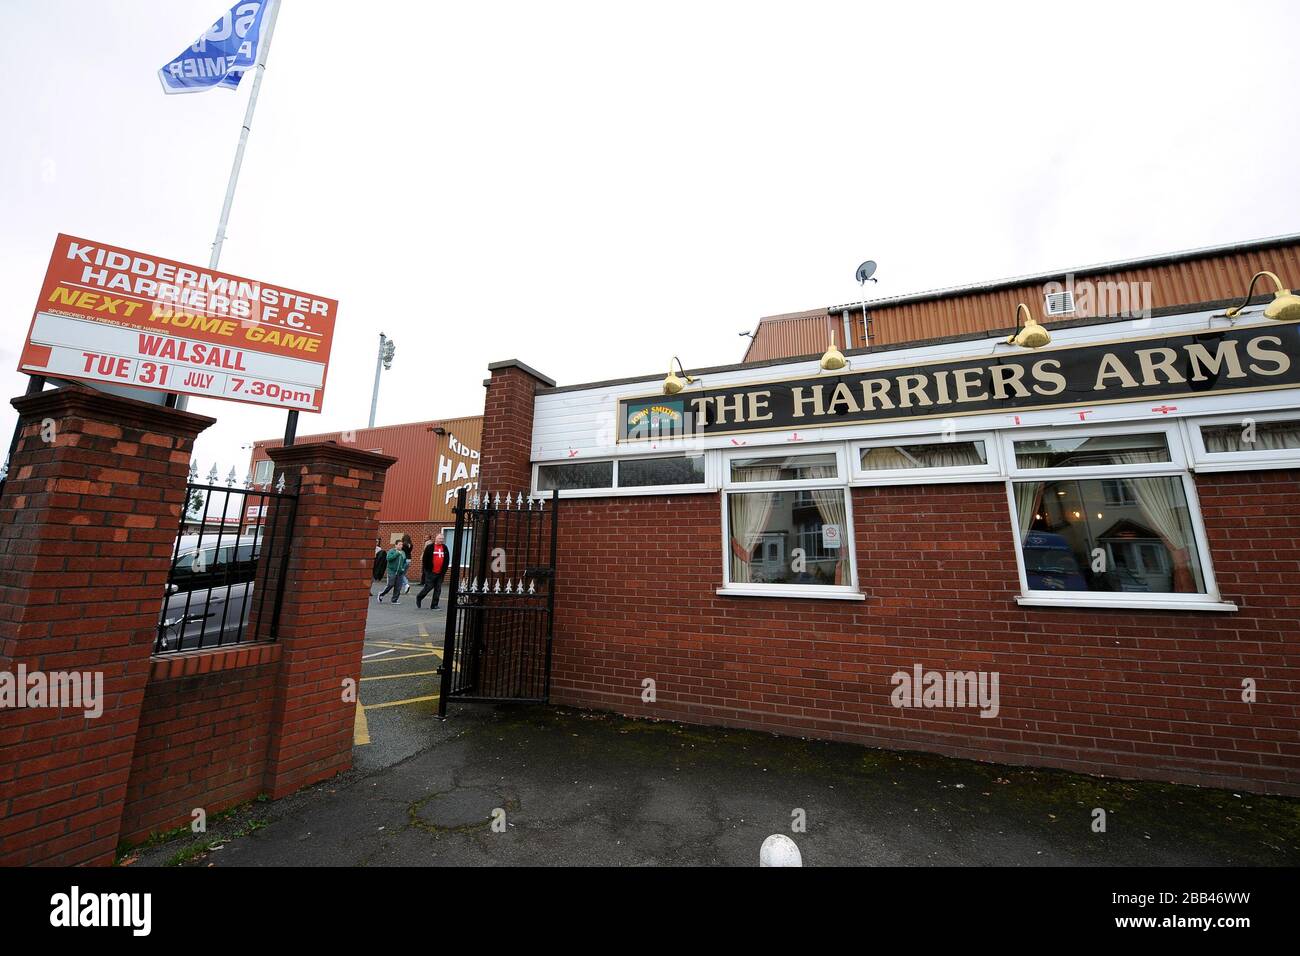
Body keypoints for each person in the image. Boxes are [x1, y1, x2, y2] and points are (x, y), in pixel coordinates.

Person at [416, 532, 450, 609]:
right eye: (439, 538)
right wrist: (427, 570)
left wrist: (445, 569)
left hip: (440, 572)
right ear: (436, 539)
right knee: (429, 587)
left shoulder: (445, 547)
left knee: (438, 589)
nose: (441, 540)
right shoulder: (430, 547)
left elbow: (447, 559)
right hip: (430, 572)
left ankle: (434, 605)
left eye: (442, 539)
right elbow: (425, 559)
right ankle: (419, 597)